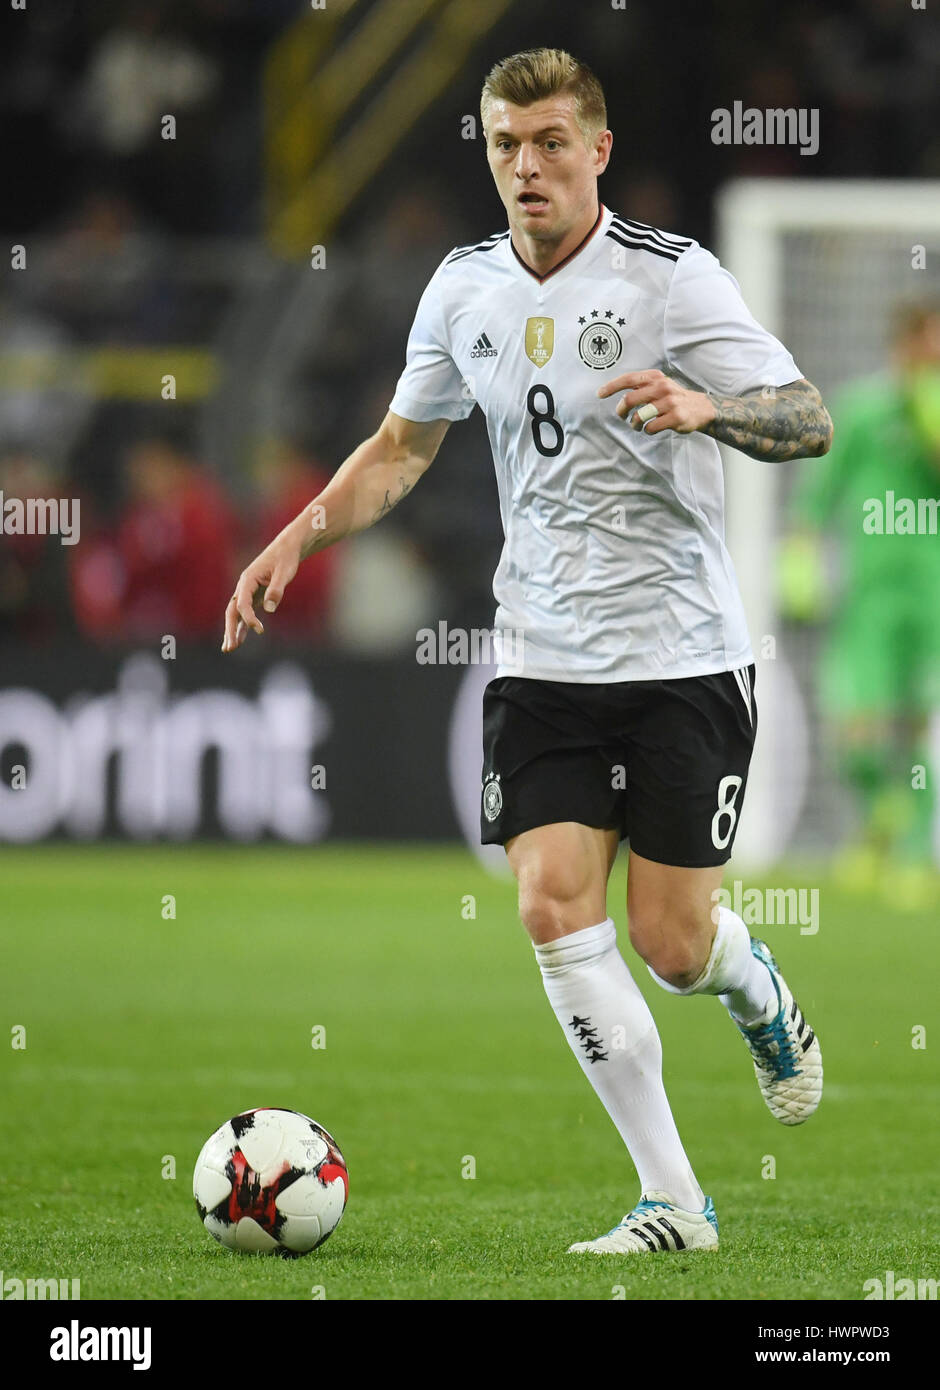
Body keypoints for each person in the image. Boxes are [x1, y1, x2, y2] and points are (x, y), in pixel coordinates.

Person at [222, 48, 832, 1255]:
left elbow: (804, 416)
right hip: (544, 661)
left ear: (596, 151)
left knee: (670, 943)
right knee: (552, 906)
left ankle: (755, 988)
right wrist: (299, 533)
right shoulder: (461, 290)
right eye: (505, 144)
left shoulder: (674, 281)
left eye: (551, 141)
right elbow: (402, 445)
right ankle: (674, 1200)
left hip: (682, 658)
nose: (526, 166)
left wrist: (710, 408)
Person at [784, 301, 940, 908]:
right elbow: (819, 494)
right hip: (870, 597)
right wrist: (799, 557)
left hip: (932, 595)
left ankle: (908, 855)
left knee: (922, 726)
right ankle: (888, 816)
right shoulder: (862, 410)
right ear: (902, 346)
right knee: (858, 731)